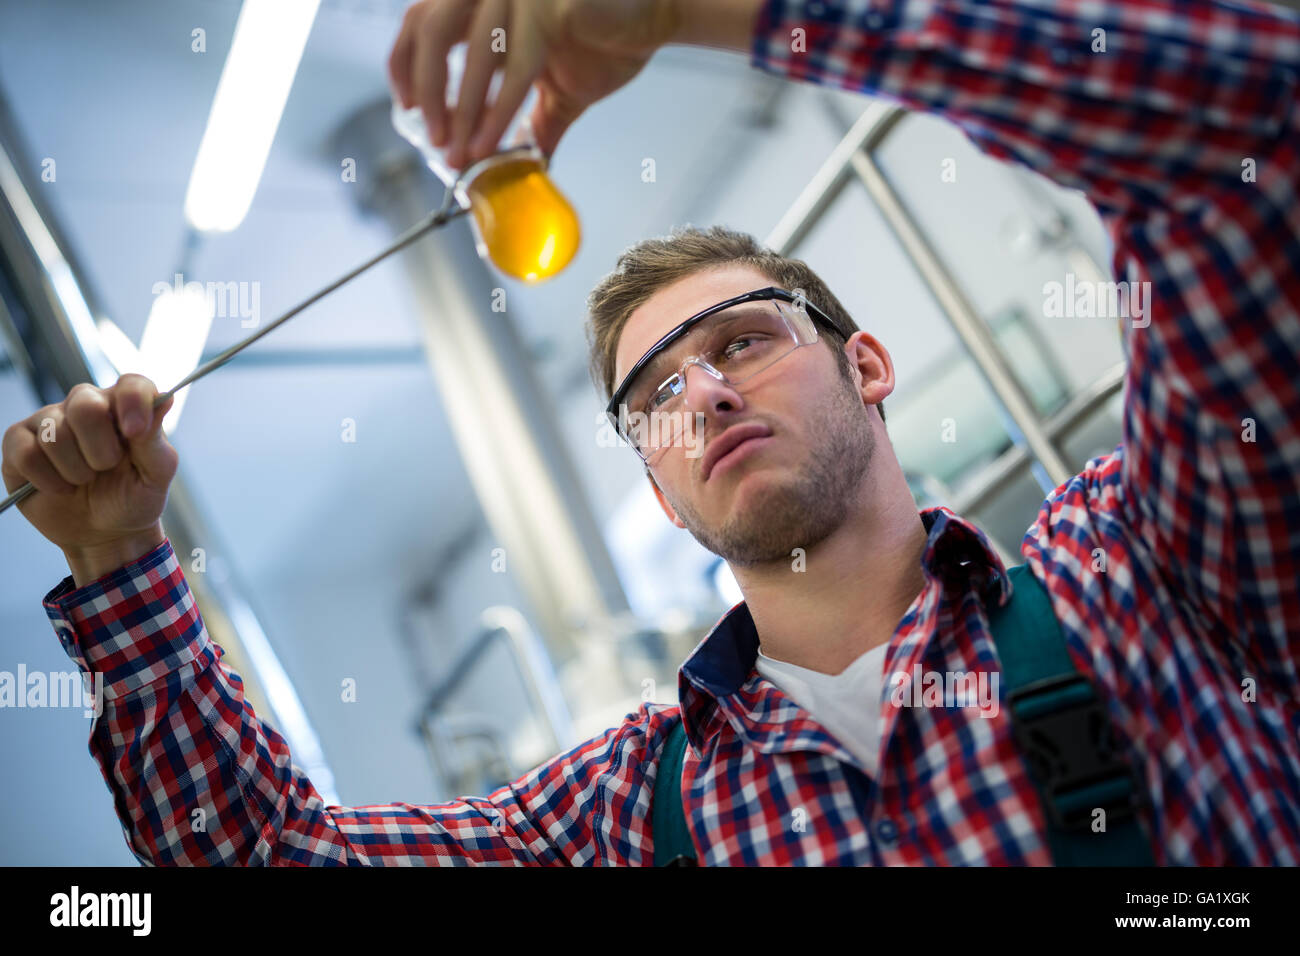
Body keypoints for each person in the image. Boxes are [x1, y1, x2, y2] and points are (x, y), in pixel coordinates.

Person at [4, 0, 1298, 865]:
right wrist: (121, 559)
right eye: (657, 397)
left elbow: (1247, 143)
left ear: (868, 363)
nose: (707, 396)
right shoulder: (624, 814)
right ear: (664, 498)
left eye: (743, 342)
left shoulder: (1147, 566)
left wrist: (718, 10)